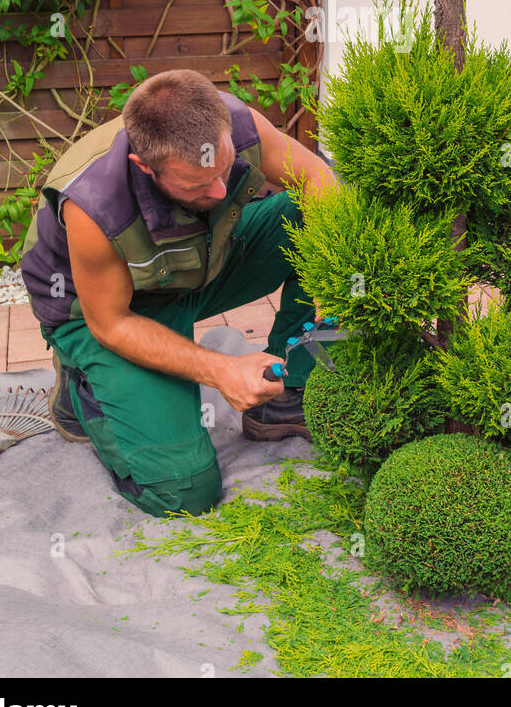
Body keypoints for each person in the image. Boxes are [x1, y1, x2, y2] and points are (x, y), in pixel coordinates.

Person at [18, 69, 340, 518]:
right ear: (144, 168)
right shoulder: (92, 202)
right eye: (196, 185)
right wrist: (222, 371)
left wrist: (335, 277)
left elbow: (320, 183)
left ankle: (287, 395)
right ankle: (82, 389)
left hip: (197, 266)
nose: (221, 190)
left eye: (226, 170)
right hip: (112, 312)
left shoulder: (238, 123)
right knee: (184, 492)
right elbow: (111, 323)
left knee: (308, 220)